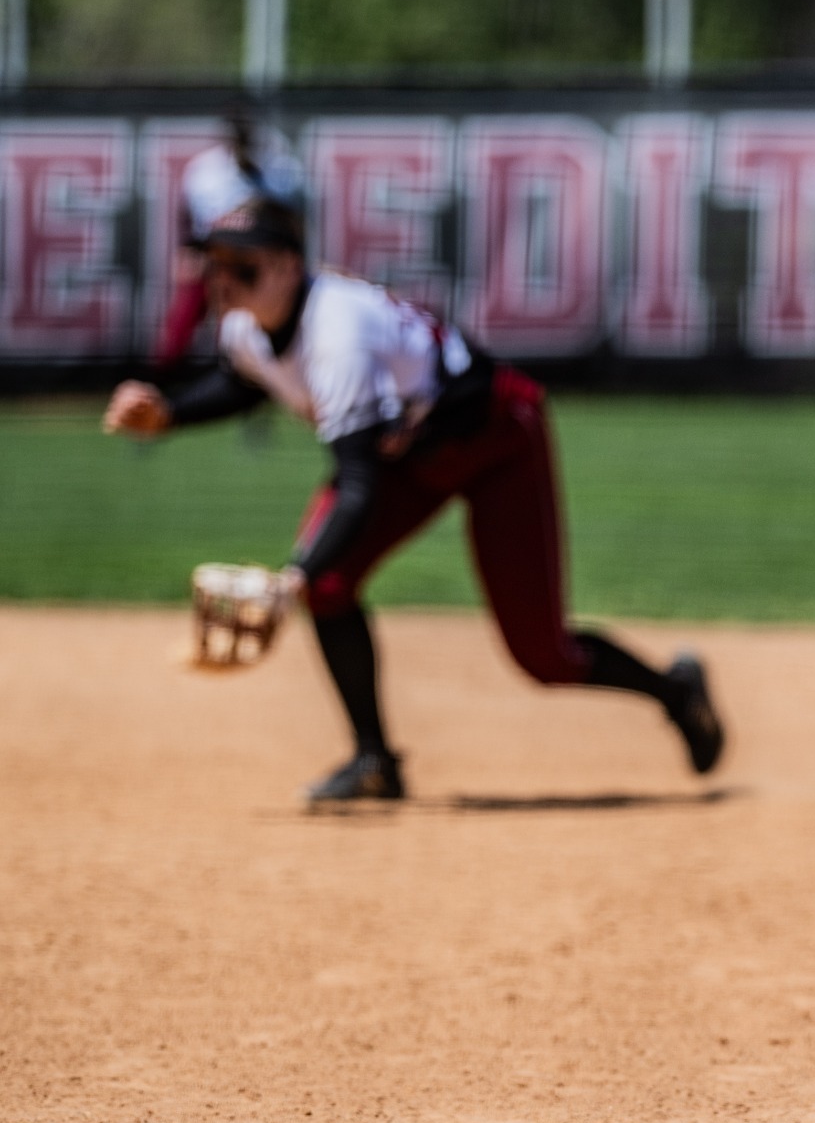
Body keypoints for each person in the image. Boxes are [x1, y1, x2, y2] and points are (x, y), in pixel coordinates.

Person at [104, 195, 724, 803]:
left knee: (542, 654)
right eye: (213, 264)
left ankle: (675, 691)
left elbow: (358, 482)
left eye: (243, 266)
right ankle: (374, 761)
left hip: (496, 436)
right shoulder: (246, 327)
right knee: (329, 586)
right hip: (407, 450)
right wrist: (169, 413)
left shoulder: (337, 334)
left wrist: (293, 577)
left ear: (291, 266)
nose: (223, 280)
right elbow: (250, 379)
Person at [155, 113, 307, 369]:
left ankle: (239, 375)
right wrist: (186, 250)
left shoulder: (276, 167)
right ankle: (159, 379)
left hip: (253, 261)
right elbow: (188, 214)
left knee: (239, 325)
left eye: (245, 134)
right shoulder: (206, 168)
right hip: (212, 252)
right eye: (236, 134)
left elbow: (289, 217)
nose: (240, 140)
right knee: (184, 320)